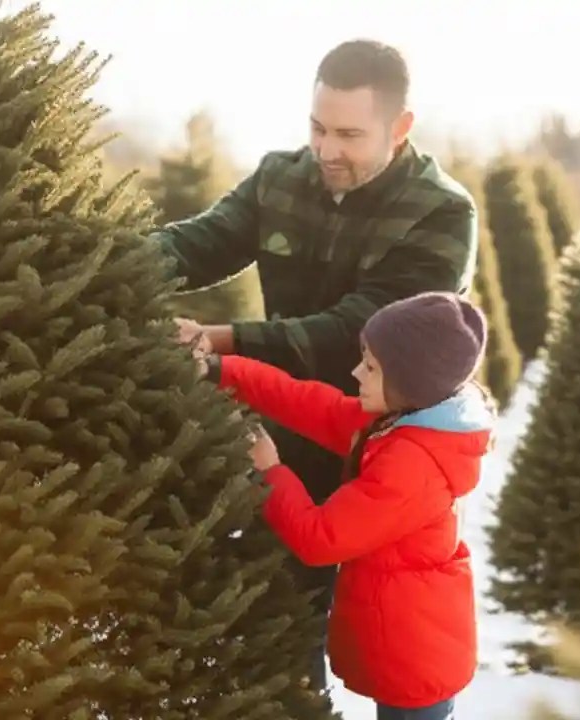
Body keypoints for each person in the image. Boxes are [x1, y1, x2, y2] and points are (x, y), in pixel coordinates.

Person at [152, 38, 479, 692]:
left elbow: (353, 329)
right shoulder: (281, 177)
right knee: (279, 610)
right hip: (287, 419)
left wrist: (221, 340)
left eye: (350, 134)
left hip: (381, 443)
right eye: (318, 127)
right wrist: (87, 264)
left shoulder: (442, 213)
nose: (327, 149)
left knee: (393, 629)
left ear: (401, 127)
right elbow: (200, 241)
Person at [196, 291, 493, 720]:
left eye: (371, 367)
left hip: (413, 654)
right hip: (403, 636)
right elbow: (312, 404)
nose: (356, 373)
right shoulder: (402, 421)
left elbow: (321, 538)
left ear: (410, 384)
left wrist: (271, 469)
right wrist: (224, 370)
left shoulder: (412, 465)